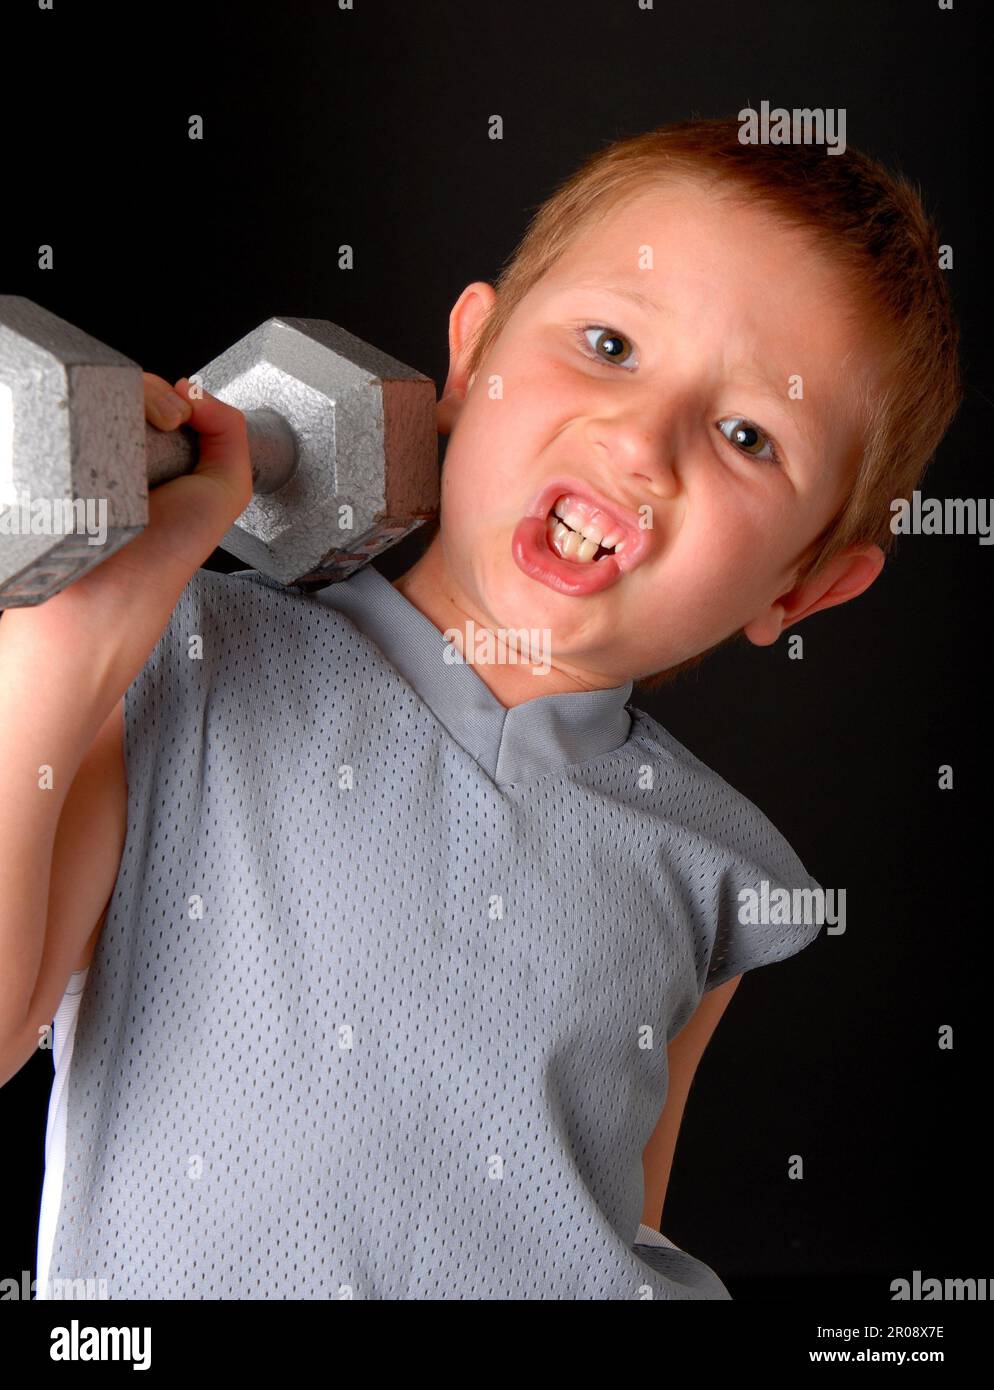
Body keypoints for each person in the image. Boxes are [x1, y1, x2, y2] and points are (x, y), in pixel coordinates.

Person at [0, 115, 961, 1300]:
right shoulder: (189, 661)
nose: (640, 442)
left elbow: (617, 1216)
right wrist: (73, 633)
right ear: (473, 358)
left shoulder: (715, 864)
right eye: (607, 343)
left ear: (806, 583)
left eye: (748, 433)